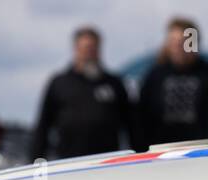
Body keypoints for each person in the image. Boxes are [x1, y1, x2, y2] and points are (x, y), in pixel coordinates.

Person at [31, 26, 135, 160]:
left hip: (107, 162)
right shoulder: (59, 83)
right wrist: (36, 162)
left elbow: (132, 126)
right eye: (85, 48)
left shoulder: (114, 84)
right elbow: (43, 127)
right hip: (69, 162)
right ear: (76, 49)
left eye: (93, 48)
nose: (89, 53)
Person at [138, 17, 208, 148]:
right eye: (173, 42)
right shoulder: (154, 77)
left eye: (183, 42)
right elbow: (142, 119)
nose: (178, 47)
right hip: (163, 151)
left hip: (203, 150)